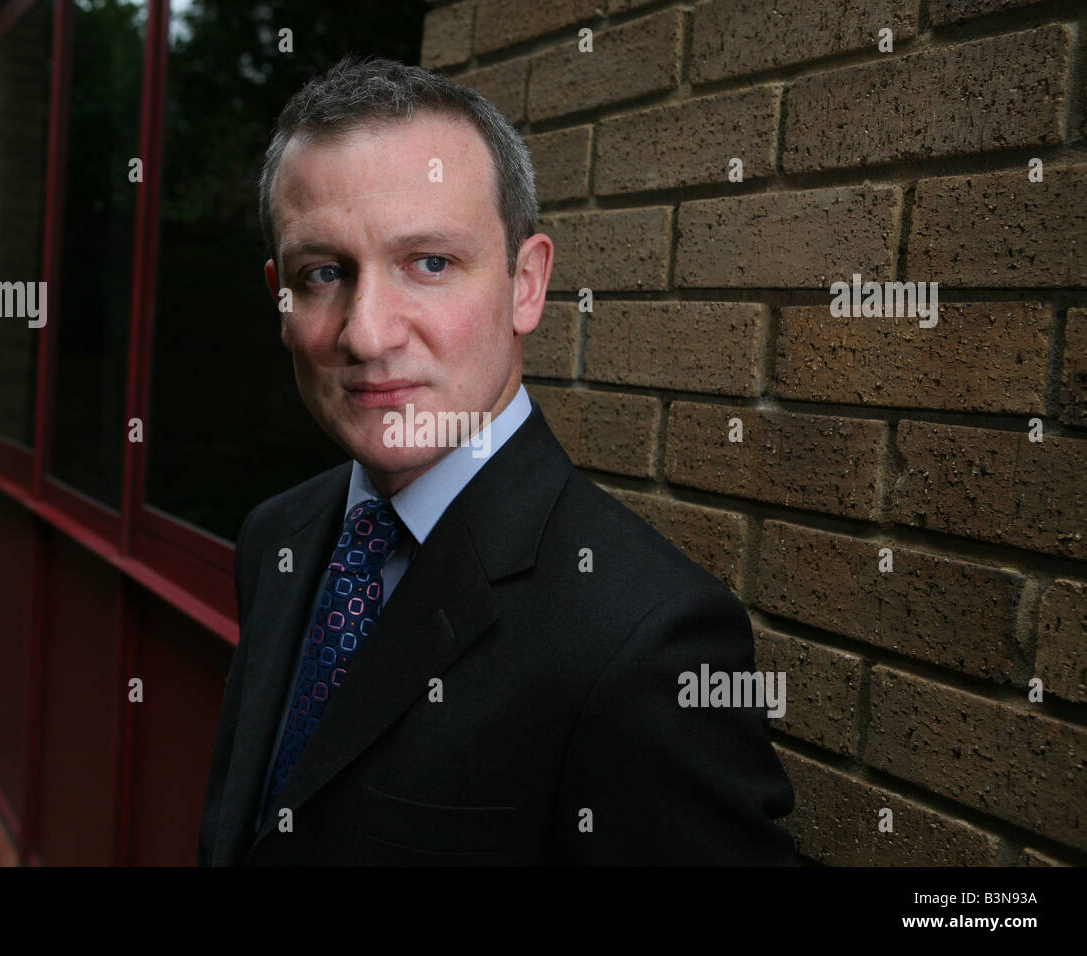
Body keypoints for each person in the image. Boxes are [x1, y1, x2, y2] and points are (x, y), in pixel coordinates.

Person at [197, 54, 795, 865]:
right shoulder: (279, 535)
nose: (367, 333)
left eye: (430, 263)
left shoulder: (645, 637)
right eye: (325, 273)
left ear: (525, 284)